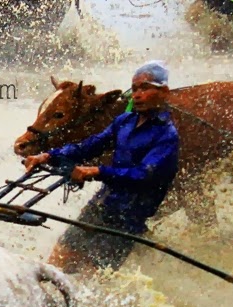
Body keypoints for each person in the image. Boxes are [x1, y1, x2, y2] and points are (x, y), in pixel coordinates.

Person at [23, 60, 180, 276]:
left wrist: (98, 171)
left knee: (91, 277)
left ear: (164, 92)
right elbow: (90, 145)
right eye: (134, 89)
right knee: (57, 264)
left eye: (145, 88)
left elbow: (144, 174)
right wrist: (49, 155)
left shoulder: (167, 136)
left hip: (129, 219)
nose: (137, 95)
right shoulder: (125, 121)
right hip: (102, 203)